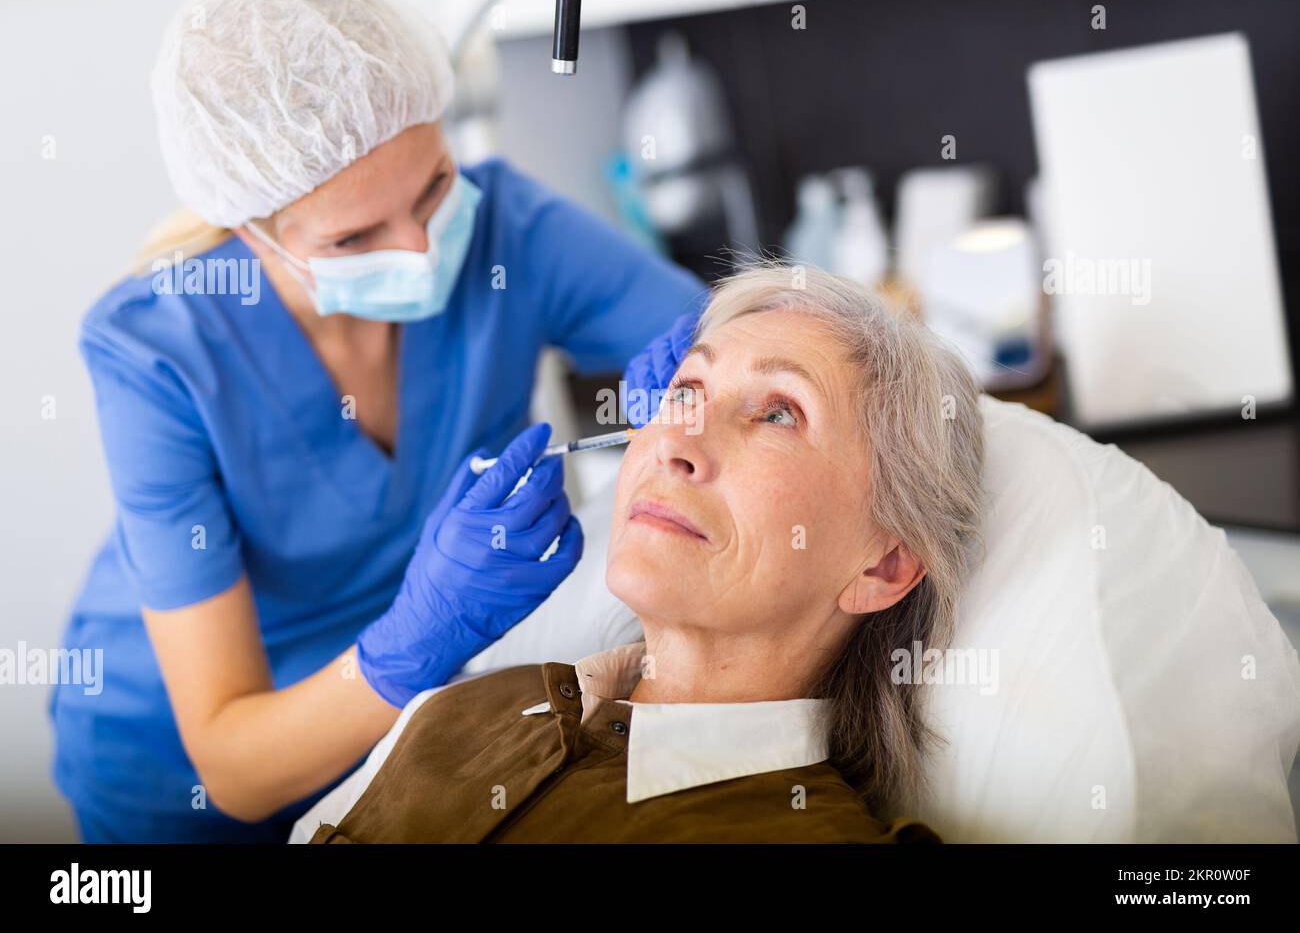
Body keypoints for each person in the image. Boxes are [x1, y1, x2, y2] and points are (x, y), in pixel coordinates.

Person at [50, 0, 703, 843]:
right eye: (354, 239)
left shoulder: (511, 230)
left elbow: (735, 327)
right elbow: (233, 766)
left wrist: (705, 361)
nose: (424, 248)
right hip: (180, 775)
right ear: (253, 230)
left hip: (397, 743)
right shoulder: (155, 351)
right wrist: (417, 640)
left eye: (434, 188)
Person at [291, 263, 986, 843]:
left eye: (778, 412)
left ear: (884, 565)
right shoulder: (460, 711)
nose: (672, 440)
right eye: (686, 392)